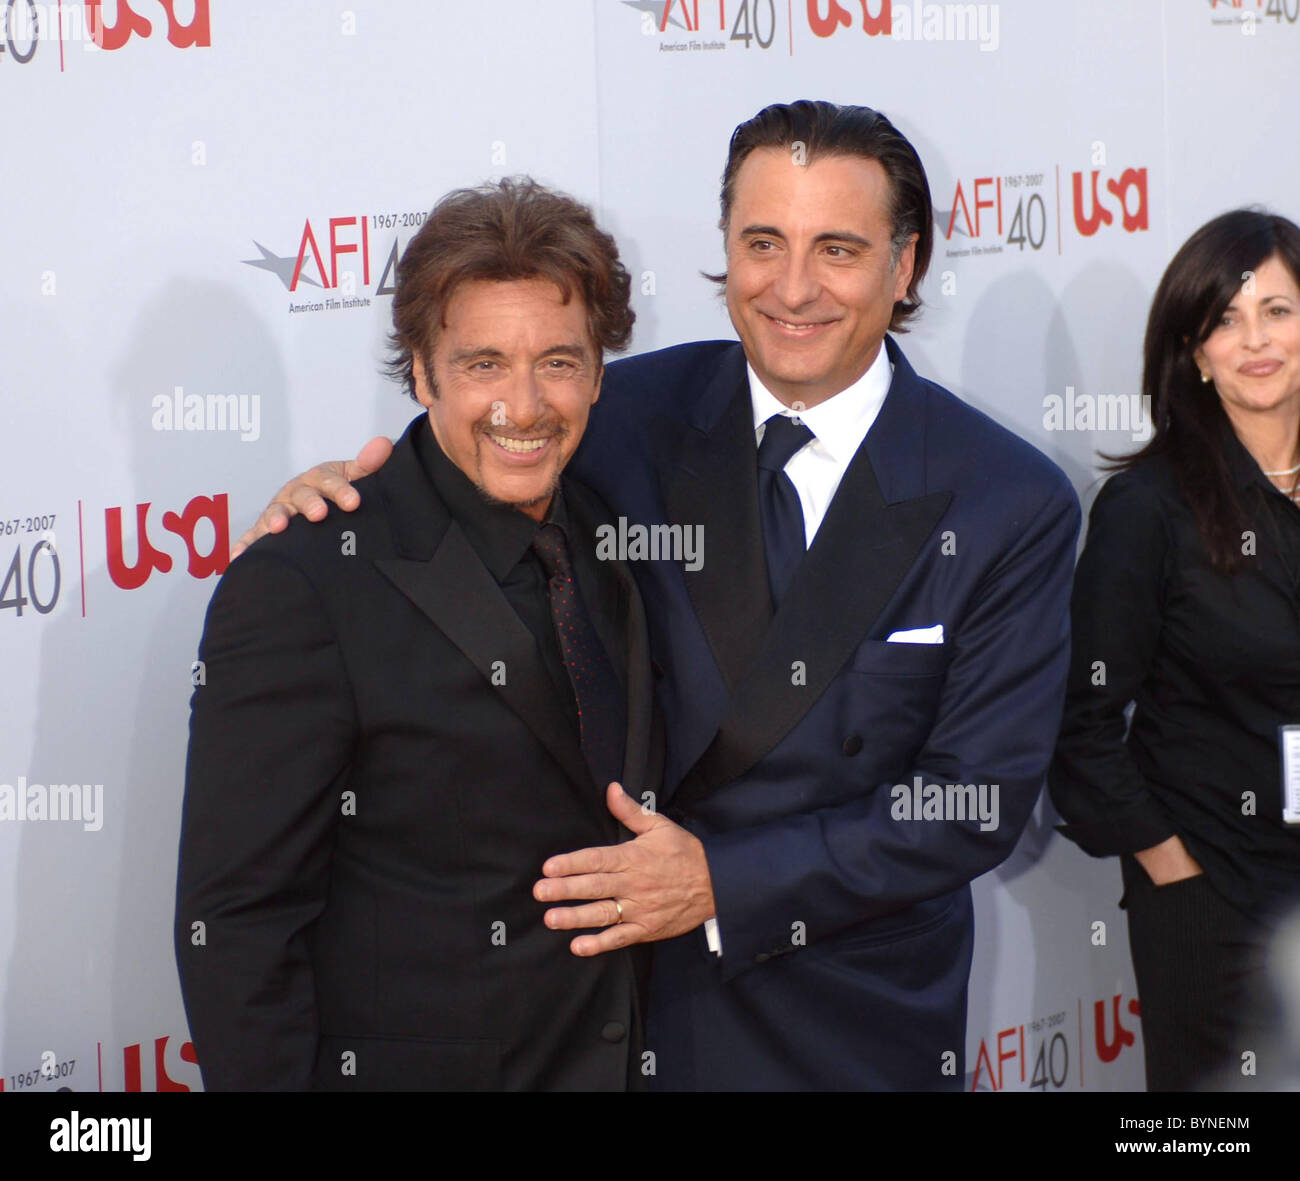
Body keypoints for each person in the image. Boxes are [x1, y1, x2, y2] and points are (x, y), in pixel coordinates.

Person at [239, 100, 1081, 1090]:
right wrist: (330, 513)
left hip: (853, 1019)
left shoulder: (1006, 499)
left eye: (838, 250)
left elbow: (967, 804)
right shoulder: (620, 412)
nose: (793, 288)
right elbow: (465, 464)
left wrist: (719, 881)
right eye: (762, 242)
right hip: (617, 1013)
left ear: (904, 268)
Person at [174, 177, 665, 1091]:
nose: (523, 404)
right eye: (483, 364)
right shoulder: (303, 582)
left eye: (558, 361)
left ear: (600, 372)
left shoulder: (612, 535)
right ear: (423, 368)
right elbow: (237, 925)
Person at [1049, 209, 1300, 1092]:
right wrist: (1176, 872)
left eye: (1278, 310)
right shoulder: (1148, 510)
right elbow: (1081, 725)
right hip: (1216, 898)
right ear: (1193, 351)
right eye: (1225, 320)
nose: (1255, 339)